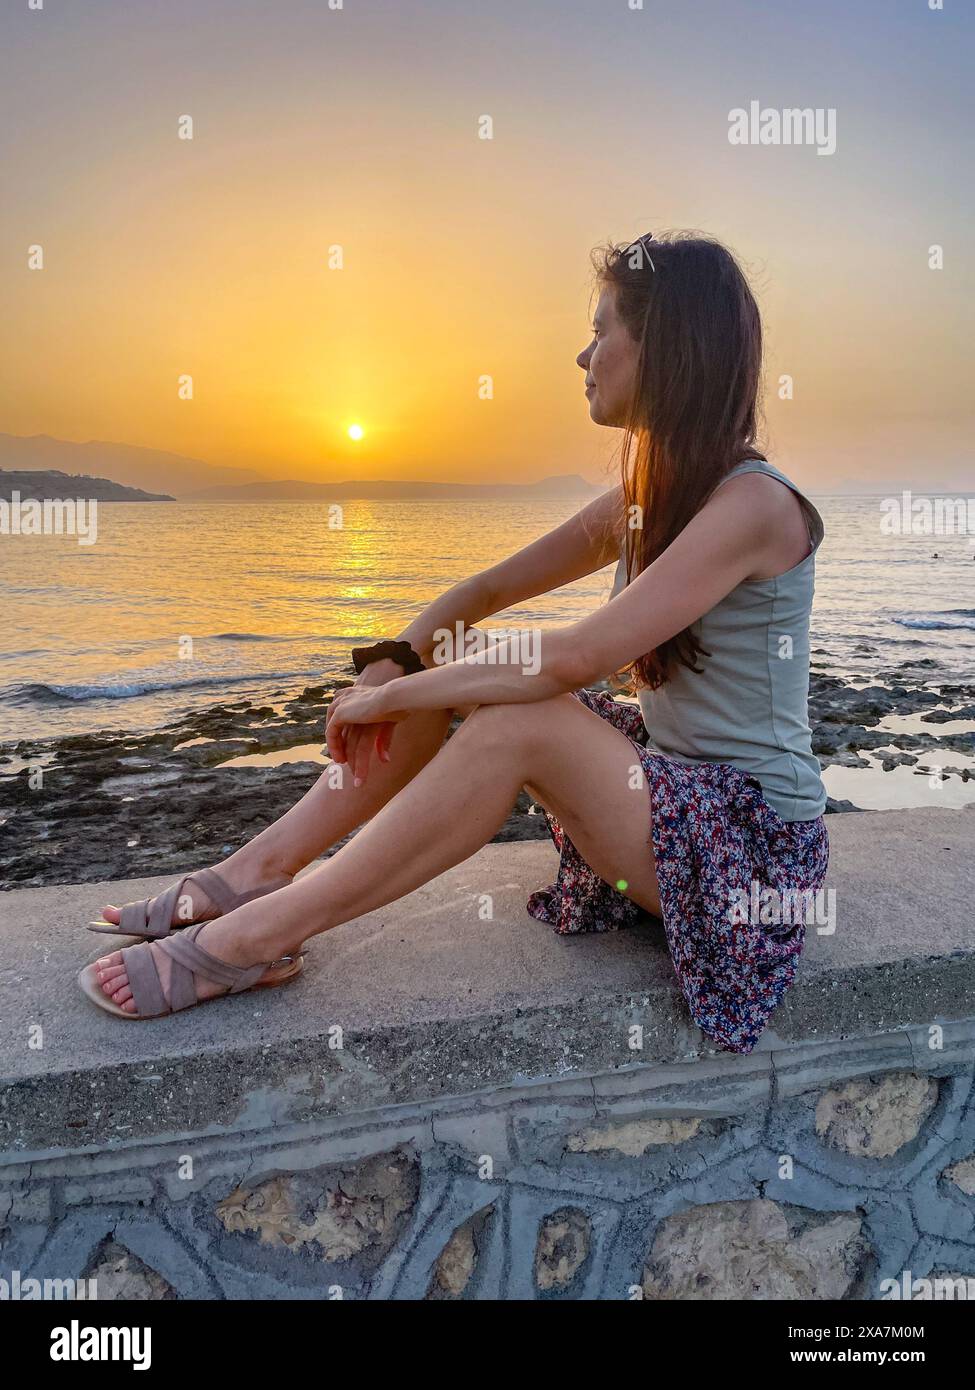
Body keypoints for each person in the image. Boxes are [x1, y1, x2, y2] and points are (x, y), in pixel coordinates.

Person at [81, 230, 829, 1054]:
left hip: (752, 857)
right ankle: (250, 873)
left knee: (520, 715)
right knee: (451, 672)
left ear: (666, 347)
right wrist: (392, 668)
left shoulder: (753, 505)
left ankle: (254, 938)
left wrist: (395, 695)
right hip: (667, 815)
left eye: (601, 331)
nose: (582, 356)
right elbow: (484, 593)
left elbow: (577, 657)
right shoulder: (649, 494)